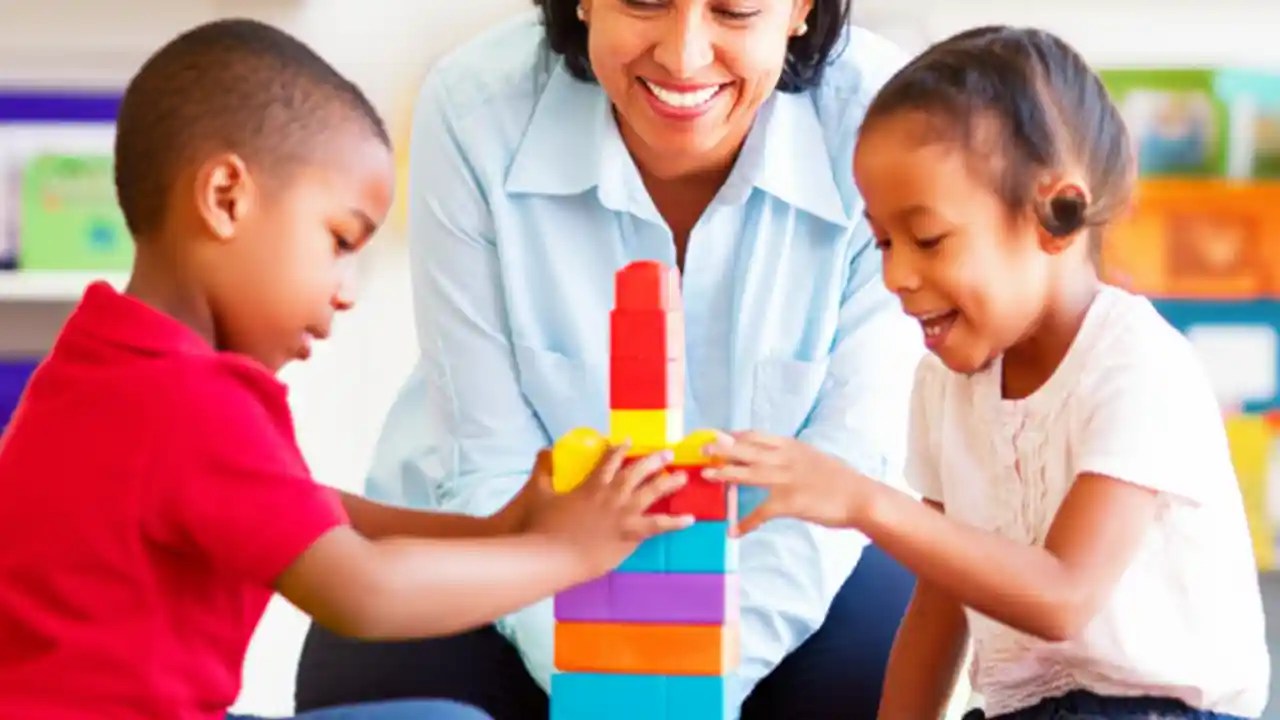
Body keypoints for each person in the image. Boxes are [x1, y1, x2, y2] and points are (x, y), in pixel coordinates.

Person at [0, 18, 693, 720]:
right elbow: (363, 593)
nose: (346, 288)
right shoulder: (194, 399)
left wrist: (502, 531)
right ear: (226, 199)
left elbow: (314, 513)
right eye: (338, 241)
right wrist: (570, 555)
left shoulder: (104, 360)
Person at [295, 1, 924, 719]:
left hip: (772, 566)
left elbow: (844, 464)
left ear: (799, 9)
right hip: (500, 551)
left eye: (735, 10)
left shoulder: (886, 119)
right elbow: (490, 464)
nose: (685, 57)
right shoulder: (473, 108)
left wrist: (692, 691)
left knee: (882, 618)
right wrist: (611, 691)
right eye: (645, 1)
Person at [708, 25, 1271, 720]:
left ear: (1054, 217)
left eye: (929, 239)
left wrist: (862, 500)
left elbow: (1064, 597)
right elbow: (939, 604)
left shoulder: (1135, 363)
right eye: (883, 241)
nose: (896, 276)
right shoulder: (945, 387)